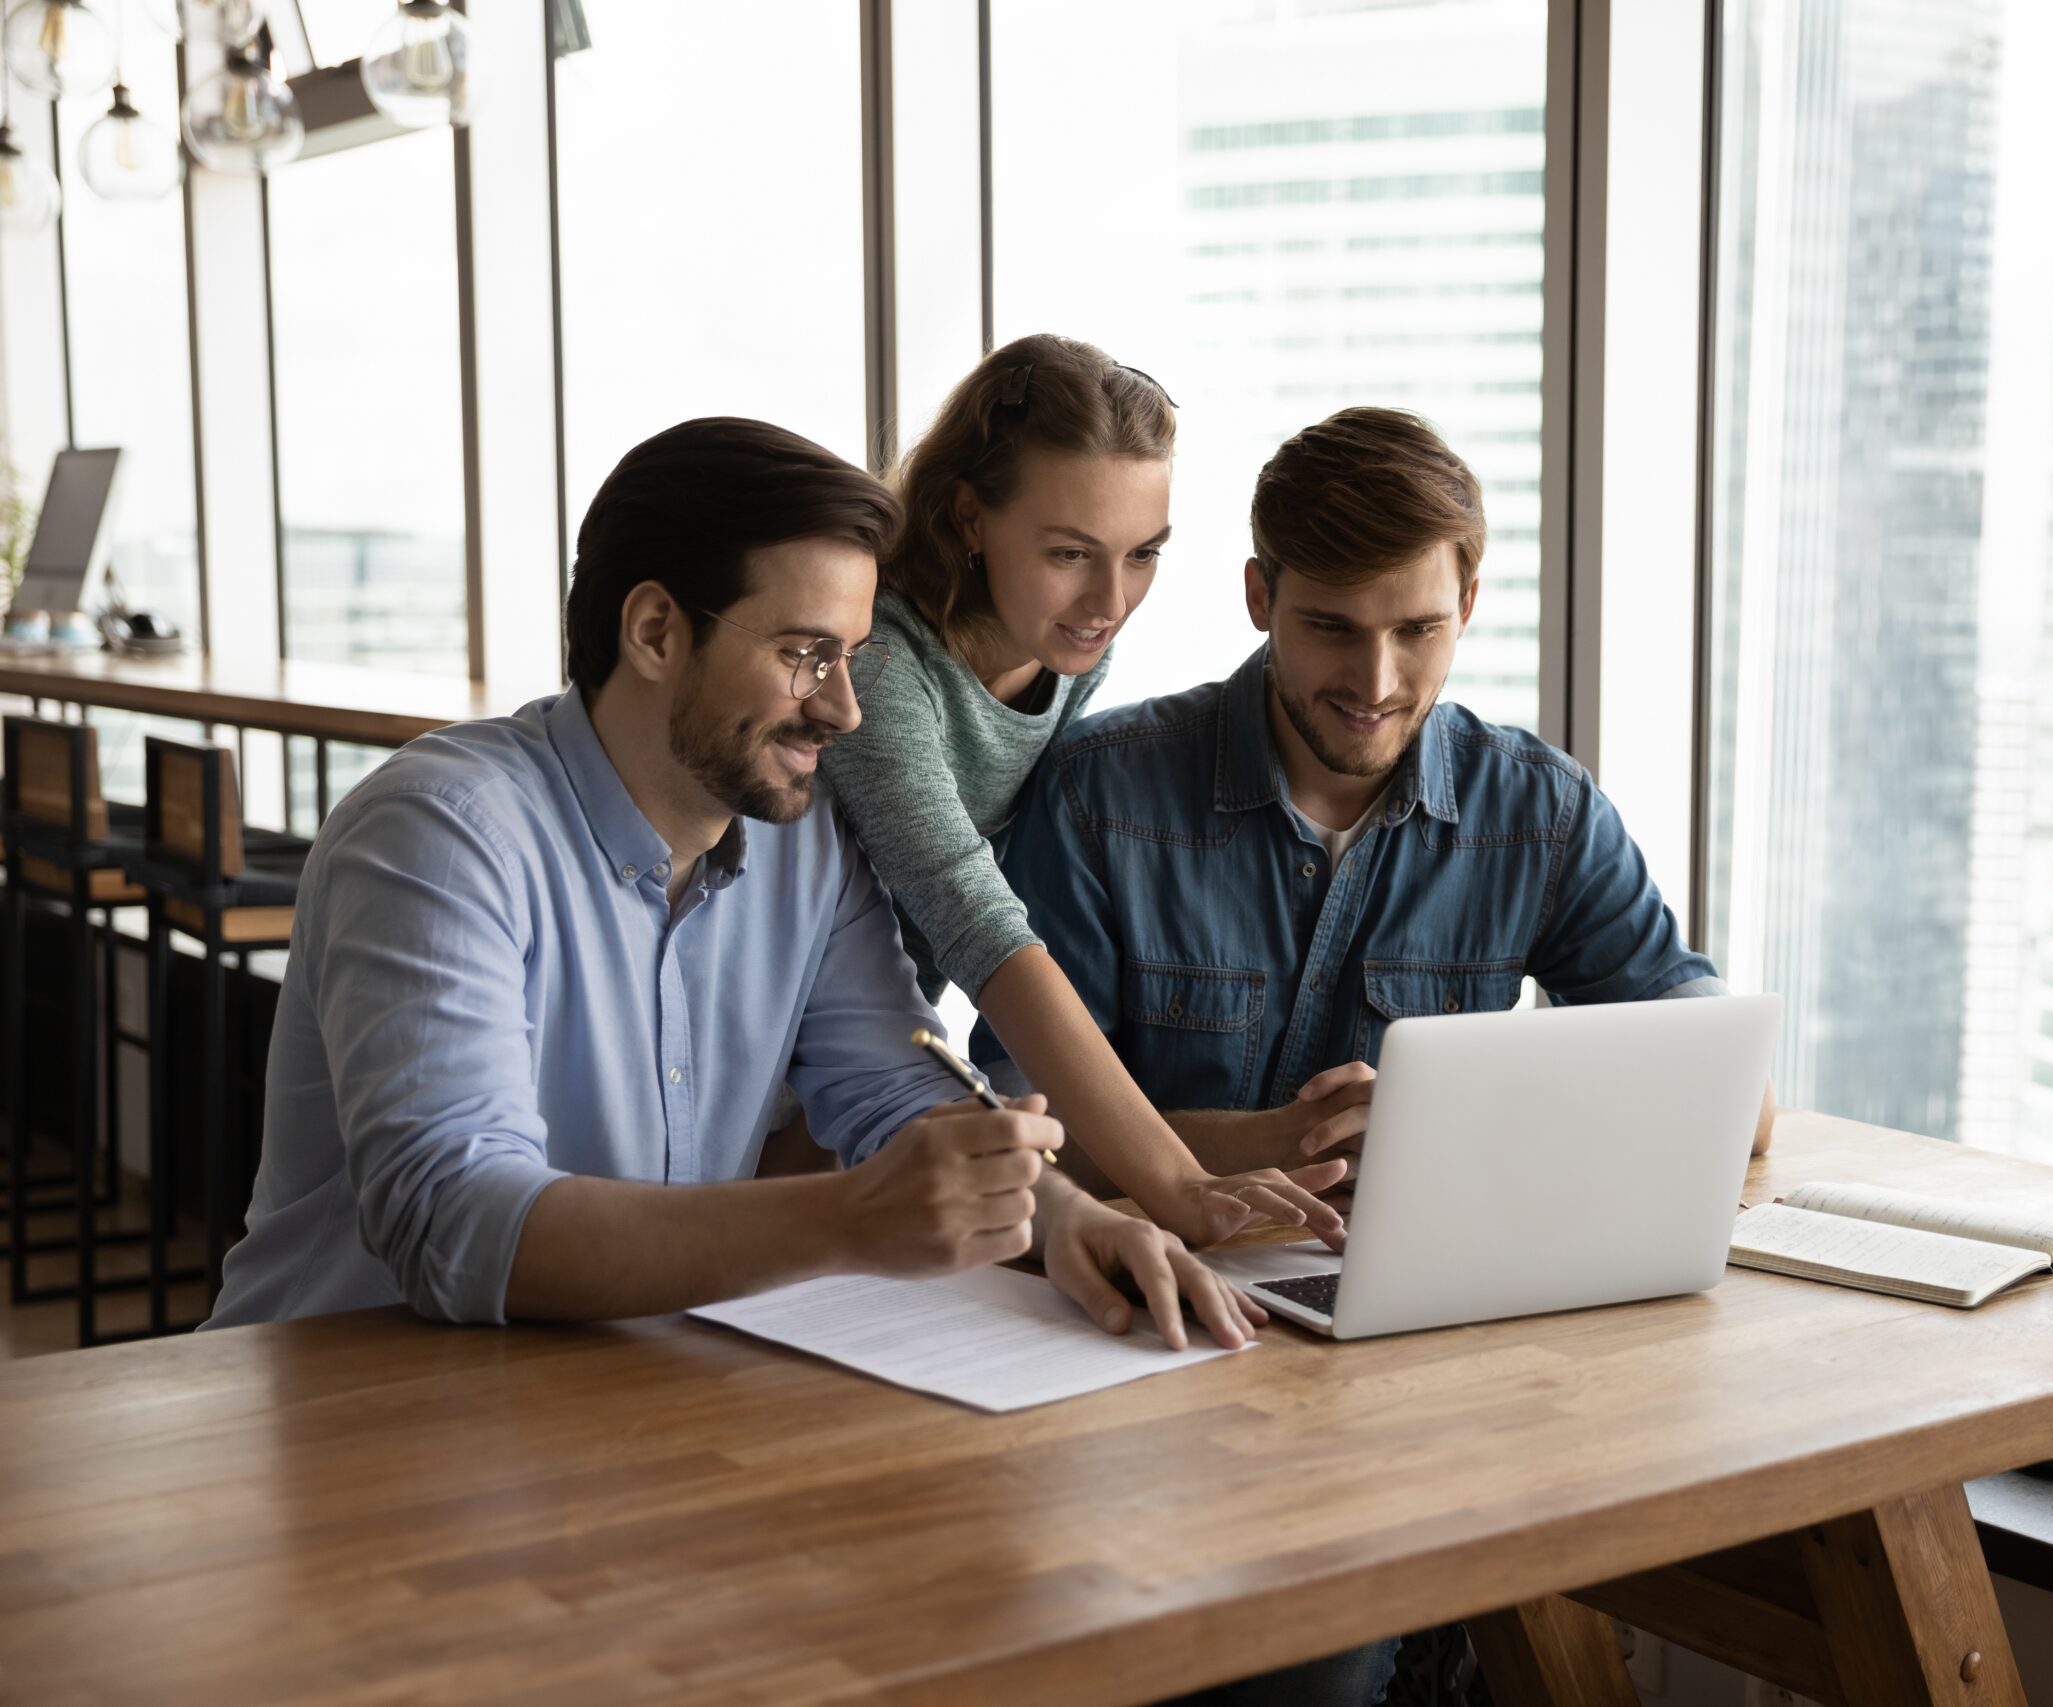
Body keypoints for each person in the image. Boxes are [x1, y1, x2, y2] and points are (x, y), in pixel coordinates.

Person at [204, 417, 1254, 1348]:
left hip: (613, 1405)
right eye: (805, 654)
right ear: (655, 631)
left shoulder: (801, 843)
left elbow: (892, 1090)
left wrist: (1062, 1215)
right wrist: (844, 1217)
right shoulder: (438, 832)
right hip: (346, 1424)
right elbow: (453, 1223)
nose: (842, 711)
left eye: (851, 658)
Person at [979, 406, 1777, 1186]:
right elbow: (1023, 1134)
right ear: (1261, 598)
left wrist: (1462, 1117)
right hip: (1165, 1295)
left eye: (1418, 631)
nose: (1376, 683)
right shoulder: (1098, 794)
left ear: (1465, 607)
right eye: (1333, 627)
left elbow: (1745, 1107)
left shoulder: (1542, 813)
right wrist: (1281, 1142)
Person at [812, 336, 1344, 1247]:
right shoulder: (885, 667)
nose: (1110, 599)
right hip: (781, 1052)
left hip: (866, 1064)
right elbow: (979, 924)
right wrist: (1177, 1184)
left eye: (1144, 554)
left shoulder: (1067, 650)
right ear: (969, 516)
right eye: (1070, 552)